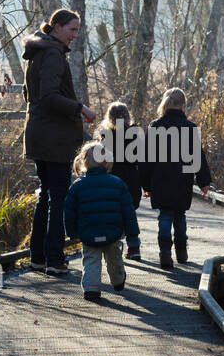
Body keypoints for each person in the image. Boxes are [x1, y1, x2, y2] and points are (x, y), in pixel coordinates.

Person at [22, 9, 96, 275]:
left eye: (77, 30)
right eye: (72, 30)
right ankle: (54, 259)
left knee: (46, 196)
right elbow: (49, 96)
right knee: (58, 198)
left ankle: (38, 256)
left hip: (39, 135)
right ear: (56, 27)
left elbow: (30, 95)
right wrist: (80, 108)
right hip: (53, 139)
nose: (74, 36)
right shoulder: (53, 55)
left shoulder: (38, 54)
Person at [141, 87, 211, 269]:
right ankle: (181, 251)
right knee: (179, 216)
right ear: (183, 106)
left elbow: (146, 160)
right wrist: (204, 182)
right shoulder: (190, 128)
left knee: (164, 216)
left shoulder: (155, 127)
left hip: (160, 181)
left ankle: (165, 252)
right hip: (182, 181)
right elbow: (198, 157)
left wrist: (145, 184)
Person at [63, 141, 140, 302]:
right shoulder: (117, 183)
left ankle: (91, 289)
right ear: (107, 162)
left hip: (88, 233)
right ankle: (118, 280)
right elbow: (128, 211)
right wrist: (132, 234)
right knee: (114, 258)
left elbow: (69, 212)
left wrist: (72, 233)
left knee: (91, 261)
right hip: (112, 232)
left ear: (84, 163)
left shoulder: (77, 187)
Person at [95, 101, 144, 260]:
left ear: (109, 117)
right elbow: (142, 160)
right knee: (129, 214)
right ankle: (134, 245)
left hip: (111, 180)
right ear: (128, 117)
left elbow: (100, 160)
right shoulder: (135, 134)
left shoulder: (104, 136)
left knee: (113, 214)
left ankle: (114, 244)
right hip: (131, 180)